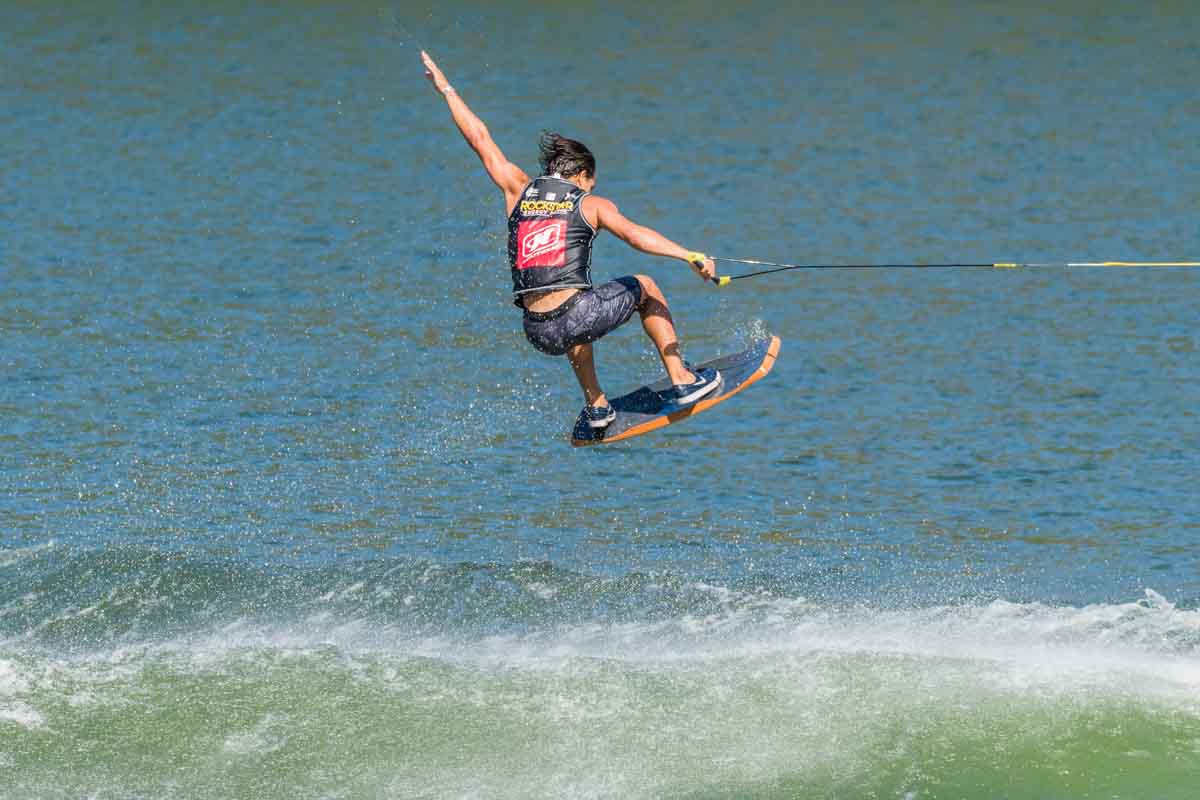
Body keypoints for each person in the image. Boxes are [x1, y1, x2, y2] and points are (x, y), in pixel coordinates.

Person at [421, 51, 721, 429]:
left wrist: (445, 88)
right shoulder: (590, 202)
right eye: (590, 182)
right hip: (575, 318)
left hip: (537, 331)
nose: (591, 189)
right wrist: (687, 254)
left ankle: (597, 407)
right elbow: (634, 235)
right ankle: (682, 380)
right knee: (644, 286)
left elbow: (479, 138)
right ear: (580, 175)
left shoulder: (519, 189)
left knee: (575, 304)